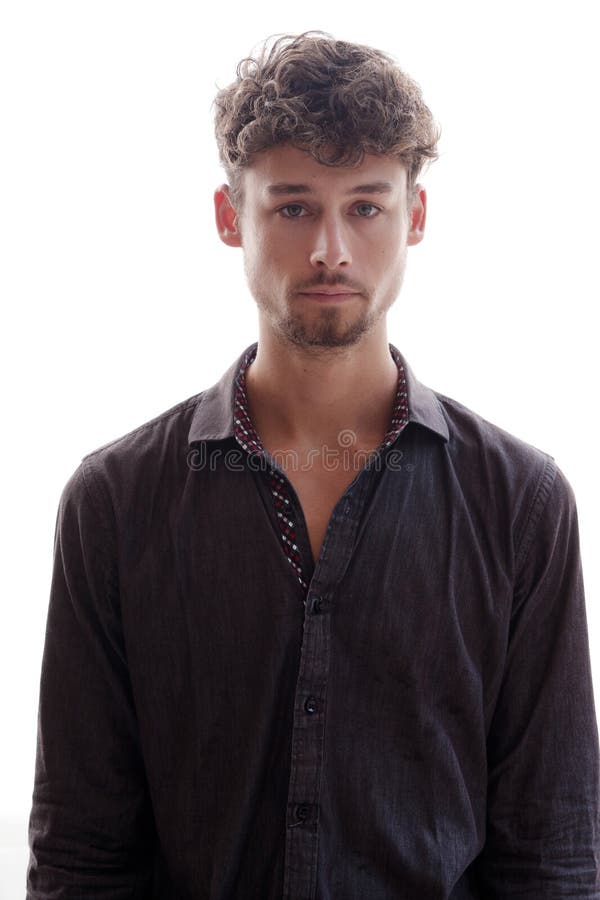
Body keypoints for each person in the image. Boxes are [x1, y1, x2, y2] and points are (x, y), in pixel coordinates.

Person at [27, 31, 599, 900]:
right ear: (231, 217)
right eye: (292, 207)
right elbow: (81, 853)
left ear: (414, 216)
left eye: (365, 207)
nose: (330, 249)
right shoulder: (114, 503)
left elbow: (553, 853)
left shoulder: (521, 503)